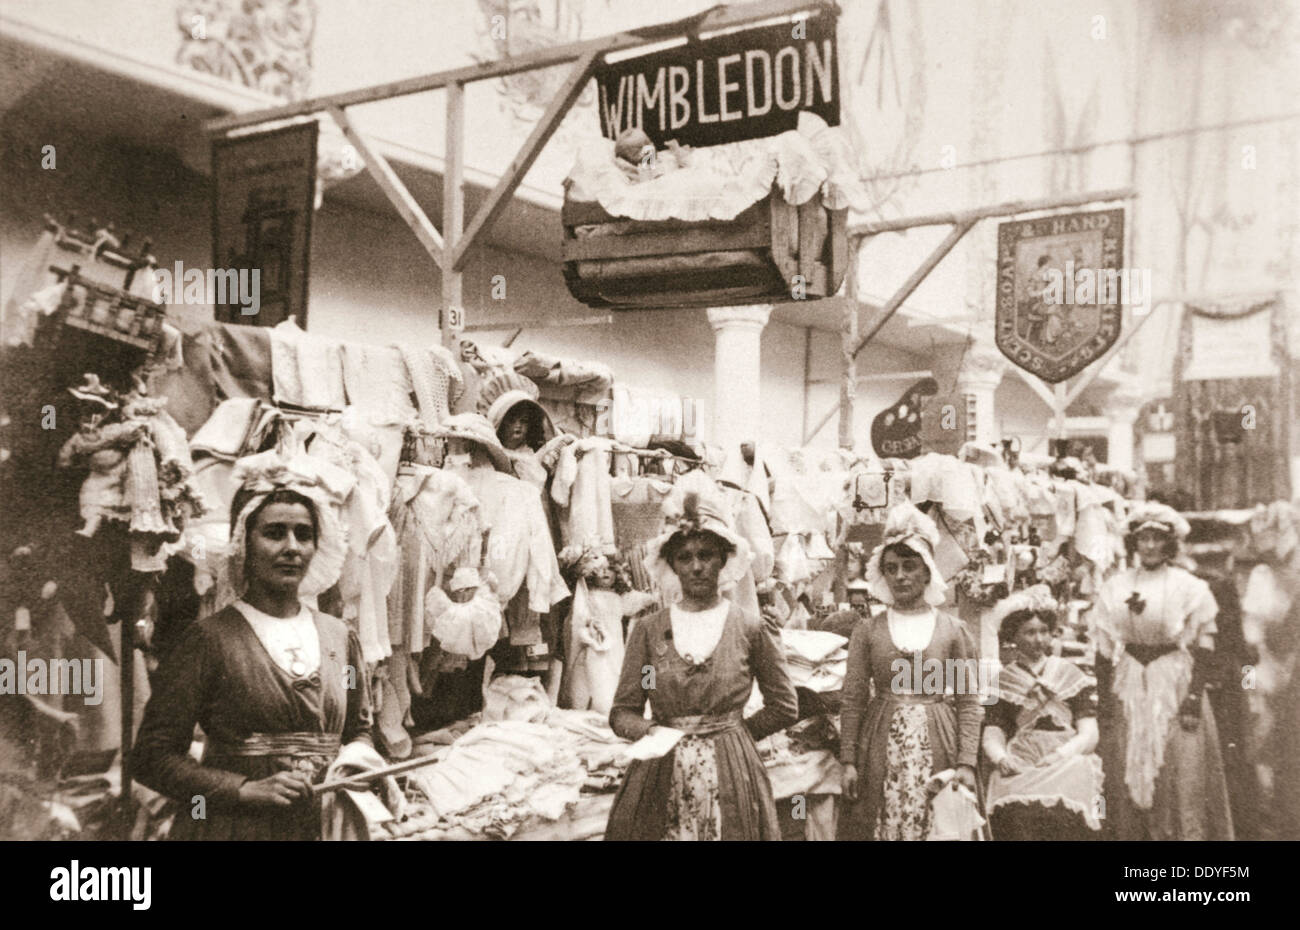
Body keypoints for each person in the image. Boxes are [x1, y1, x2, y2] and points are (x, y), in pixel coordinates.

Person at [134, 456, 372, 840]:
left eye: (303, 534)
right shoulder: (209, 640)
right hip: (232, 828)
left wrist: (357, 764)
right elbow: (151, 757)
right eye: (275, 533)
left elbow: (359, 731)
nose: (292, 547)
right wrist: (244, 788)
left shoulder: (340, 638)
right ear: (244, 541)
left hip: (320, 827)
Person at [604, 491, 798, 840]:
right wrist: (650, 732)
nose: (696, 566)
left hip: (732, 777)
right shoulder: (650, 632)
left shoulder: (750, 628)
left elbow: (784, 706)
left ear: (723, 559)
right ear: (672, 564)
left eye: (706, 555)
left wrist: (732, 736)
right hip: (661, 774)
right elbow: (623, 712)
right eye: (685, 557)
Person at [837, 502, 984, 841]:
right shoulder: (868, 630)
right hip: (879, 747)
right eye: (891, 568)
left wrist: (966, 762)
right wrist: (848, 759)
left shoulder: (953, 630)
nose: (900, 575)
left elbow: (969, 701)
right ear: (882, 574)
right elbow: (853, 698)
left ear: (927, 570)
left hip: (940, 745)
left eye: (909, 566)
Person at [1090, 502, 1234, 840]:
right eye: (1144, 539)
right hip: (1130, 683)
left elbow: (1204, 647)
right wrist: (1105, 700)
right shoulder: (1115, 586)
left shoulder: (1189, 586)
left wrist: (1194, 696)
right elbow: (1102, 648)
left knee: (1180, 771)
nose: (1150, 546)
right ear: (1134, 544)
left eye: (1157, 539)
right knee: (1127, 765)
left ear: (1169, 544)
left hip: (1174, 683)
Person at [982, 585, 1103, 840]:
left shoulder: (1070, 674)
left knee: (1083, 776)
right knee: (1005, 790)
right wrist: (1001, 758)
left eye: (1044, 632)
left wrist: (1061, 755)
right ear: (1014, 635)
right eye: (1029, 632)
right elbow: (994, 730)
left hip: (1065, 759)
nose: (1039, 640)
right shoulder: (1003, 680)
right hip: (1023, 760)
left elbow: (1089, 734)